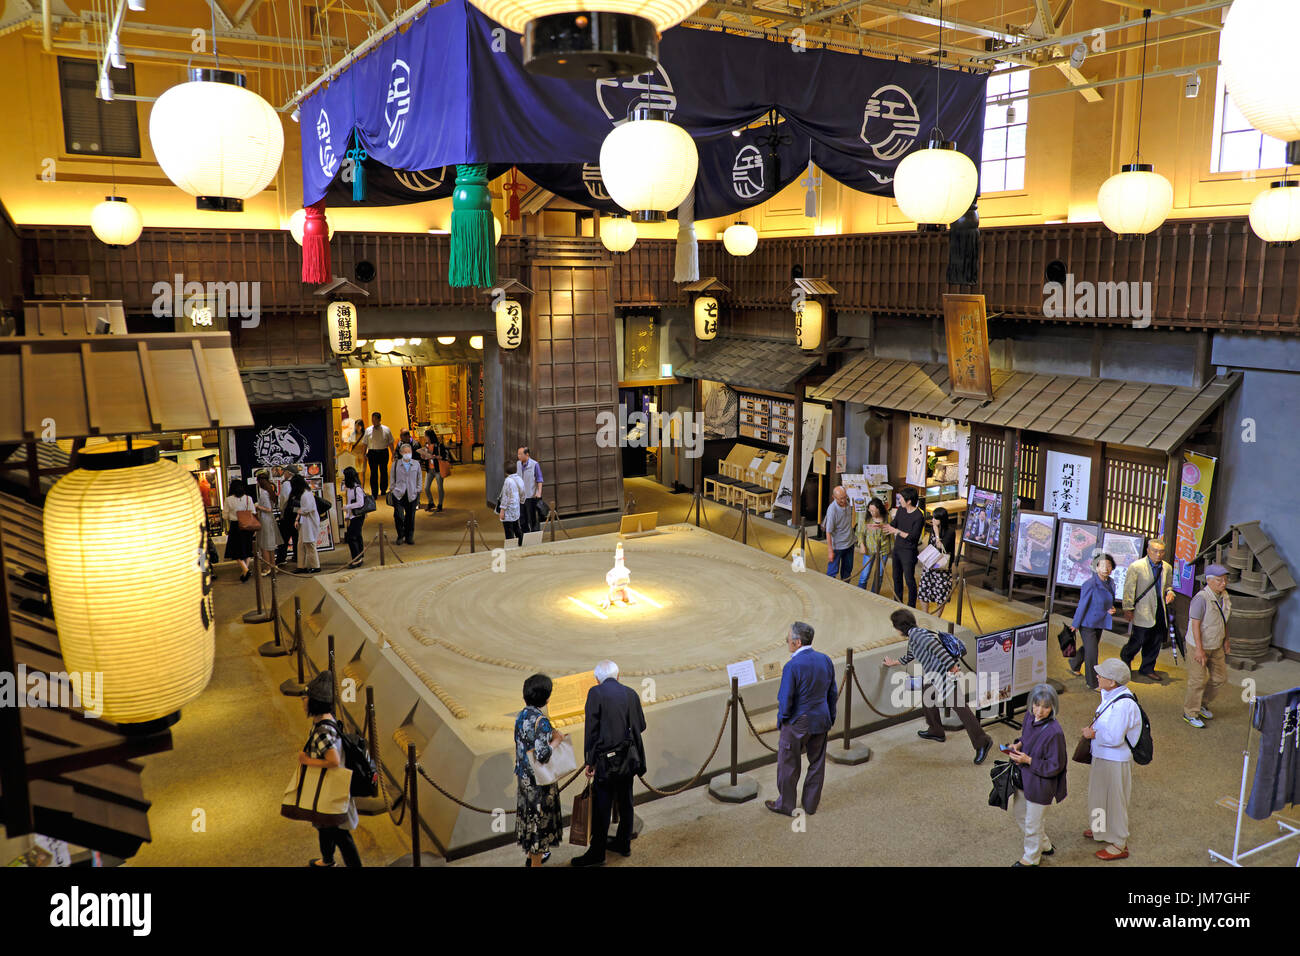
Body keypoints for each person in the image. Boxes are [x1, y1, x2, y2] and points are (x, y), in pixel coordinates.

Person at [882, 608, 992, 764]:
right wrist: (895, 662)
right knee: (928, 695)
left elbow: (937, 648)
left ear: (901, 627)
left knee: (960, 708)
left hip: (943, 674)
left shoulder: (917, 635)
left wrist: (951, 666)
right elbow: (911, 654)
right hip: (933, 675)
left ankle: (982, 741)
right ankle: (935, 730)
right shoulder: (916, 634)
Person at [572, 660, 646, 867]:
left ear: (597, 679)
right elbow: (641, 725)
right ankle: (624, 844)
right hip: (629, 759)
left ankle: (597, 853)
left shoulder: (596, 693)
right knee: (626, 800)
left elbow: (592, 730)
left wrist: (590, 760)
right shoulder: (631, 693)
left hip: (606, 760)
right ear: (618, 675)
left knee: (602, 805)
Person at [765, 622, 837, 817]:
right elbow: (832, 693)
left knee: (788, 765)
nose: (786, 641)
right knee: (817, 763)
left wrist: (782, 720)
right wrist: (830, 717)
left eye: (788, 638)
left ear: (797, 642)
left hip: (798, 721)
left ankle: (786, 805)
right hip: (821, 719)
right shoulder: (825, 660)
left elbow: (785, 699)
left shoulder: (792, 666)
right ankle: (811, 804)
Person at [1082, 658, 1142, 861]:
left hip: (1115, 760)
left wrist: (1093, 735)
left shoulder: (1124, 705)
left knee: (1116, 802)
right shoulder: (1109, 694)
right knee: (1098, 795)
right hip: (1102, 756)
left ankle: (1118, 842)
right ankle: (1100, 830)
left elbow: (1115, 738)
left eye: (1102, 674)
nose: (1097, 676)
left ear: (1113, 682)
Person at [300, 671, 361, 867]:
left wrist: (307, 760)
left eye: (305, 699)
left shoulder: (322, 732)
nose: (303, 702)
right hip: (331, 786)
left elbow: (333, 761)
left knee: (340, 833)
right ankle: (327, 860)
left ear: (314, 703)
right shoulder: (328, 719)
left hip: (331, 788)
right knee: (324, 827)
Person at [1005, 683, 1067, 867]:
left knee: (1032, 822)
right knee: (1019, 813)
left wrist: (1028, 760)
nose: (1039, 711)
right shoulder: (1029, 717)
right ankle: (1044, 844)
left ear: (1053, 707)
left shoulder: (1055, 733)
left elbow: (1056, 765)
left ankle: (1031, 858)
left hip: (1041, 784)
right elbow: (1026, 738)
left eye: (1045, 707)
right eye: (1036, 705)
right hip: (1025, 778)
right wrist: (1018, 746)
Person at [514, 673, 566, 867]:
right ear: (547, 698)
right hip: (539, 782)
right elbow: (542, 754)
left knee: (529, 820)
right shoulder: (541, 721)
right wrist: (557, 741)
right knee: (539, 825)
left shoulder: (522, 715)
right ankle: (535, 862)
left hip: (524, 778)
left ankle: (530, 857)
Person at [1183, 563, 1232, 729]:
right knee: (1197, 680)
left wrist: (1226, 640)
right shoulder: (1201, 598)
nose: (1223, 583)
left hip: (1216, 644)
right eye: (1219, 580)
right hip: (1198, 645)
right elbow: (1195, 624)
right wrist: (1199, 649)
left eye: (1225, 580)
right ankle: (1190, 713)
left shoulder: (1224, 595)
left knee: (1220, 678)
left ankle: (1202, 703)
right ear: (1209, 581)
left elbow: (1223, 619)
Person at [1120, 538, 1175, 683]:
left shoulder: (1167, 567)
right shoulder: (1136, 566)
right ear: (1148, 551)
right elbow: (1129, 589)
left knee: (1155, 641)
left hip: (1160, 609)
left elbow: (1169, 585)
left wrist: (1170, 592)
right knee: (1138, 640)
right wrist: (1127, 608)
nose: (1158, 554)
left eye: (1161, 551)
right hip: (1142, 609)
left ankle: (1147, 668)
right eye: (1155, 551)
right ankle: (1125, 659)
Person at [1070, 552, 1117, 690]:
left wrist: (1111, 609)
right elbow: (1082, 604)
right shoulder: (1089, 584)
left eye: (1108, 566)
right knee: (1092, 653)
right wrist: (1075, 623)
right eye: (1102, 565)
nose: (1105, 568)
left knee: (1089, 648)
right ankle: (1092, 682)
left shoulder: (1111, 582)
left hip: (1100, 622)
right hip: (1087, 624)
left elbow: (1108, 601)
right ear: (1096, 568)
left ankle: (1074, 663)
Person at [884, 487, 926, 607]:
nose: (900, 500)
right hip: (897, 548)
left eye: (901, 498)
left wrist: (896, 531)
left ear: (909, 501)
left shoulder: (918, 516)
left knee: (909, 579)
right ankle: (898, 601)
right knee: (896, 577)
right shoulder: (901, 510)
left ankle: (911, 605)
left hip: (909, 552)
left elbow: (913, 537)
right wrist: (884, 526)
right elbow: (894, 523)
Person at [918, 506, 955, 613]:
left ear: (941, 520)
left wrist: (937, 534)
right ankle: (926, 614)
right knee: (924, 591)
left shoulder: (950, 532)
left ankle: (938, 617)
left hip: (942, 567)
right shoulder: (933, 531)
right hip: (930, 565)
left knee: (941, 593)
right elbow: (931, 545)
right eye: (932, 518)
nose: (933, 520)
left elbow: (942, 546)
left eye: (935, 518)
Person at [222, 477, 256, 582]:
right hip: (247, 525)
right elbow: (252, 512)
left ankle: (245, 569)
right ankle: (245, 571)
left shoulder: (228, 499)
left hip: (235, 526)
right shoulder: (248, 498)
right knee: (247, 549)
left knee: (235, 550)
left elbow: (225, 516)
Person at [855, 497, 892, 593]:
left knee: (879, 574)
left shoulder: (887, 517)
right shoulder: (866, 518)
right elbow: (860, 533)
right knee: (865, 574)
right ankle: (860, 593)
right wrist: (862, 545)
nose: (871, 513)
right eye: (870, 510)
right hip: (869, 549)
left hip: (883, 549)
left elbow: (891, 534)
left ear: (879, 509)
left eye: (874, 511)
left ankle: (875, 593)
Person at [389, 442, 422, 546]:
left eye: (409, 452)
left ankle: (409, 536)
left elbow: (419, 478)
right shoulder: (395, 465)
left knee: (410, 516)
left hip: (412, 493)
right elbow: (392, 479)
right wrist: (393, 489)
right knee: (398, 515)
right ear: (401, 453)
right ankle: (400, 535)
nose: (408, 454)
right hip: (398, 493)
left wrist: (418, 489)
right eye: (405, 452)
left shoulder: (416, 464)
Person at [822, 485, 855, 582]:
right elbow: (828, 532)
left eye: (845, 497)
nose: (844, 500)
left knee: (847, 572)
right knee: (832, 572)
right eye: (841, 499)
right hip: (837, 546)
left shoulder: (848, 503)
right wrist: (830, 550)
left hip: (849, 543)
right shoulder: (832, 510)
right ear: (834, 497)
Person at [253, 471, 282, 574]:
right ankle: (273, 566)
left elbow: (268, 509)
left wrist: (257, 506)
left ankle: (267, 568)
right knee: (270, 546)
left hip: (265, 519)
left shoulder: (264, 493)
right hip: (270, 519)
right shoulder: (270, 491)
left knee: (265, 545)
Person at [293, 475, 321, 574]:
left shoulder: (305, 495)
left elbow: (306, 509)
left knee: (310, 544)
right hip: (304, 522)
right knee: (301, 544)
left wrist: (299, 513)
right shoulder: (307, 493)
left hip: (309, 522)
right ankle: (301, 566)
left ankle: (315, 566)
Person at [364, 412, 394, 499]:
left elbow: (391, 442)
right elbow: (365, 444)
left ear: (379, 420)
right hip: (372, 452)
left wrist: (393, 453)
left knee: (383, 471)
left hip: (383, 452)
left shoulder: (386, 429)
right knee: (373, 473)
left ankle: (383, 489)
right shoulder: (368, 430)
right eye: (372, 420)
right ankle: (374, 492)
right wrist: (363, 454)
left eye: (375, 420)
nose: (373, 421)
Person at [341, 466, 366, 568]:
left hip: (358, 516)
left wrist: (347, 507)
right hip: (353, 516)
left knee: (352, 538)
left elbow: (360, 503)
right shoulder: (350, 488)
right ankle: (360, 556)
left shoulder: (357, 488)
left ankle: (356, 559)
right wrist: (347, 514)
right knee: (357, 536)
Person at [275, 465, 300, 567]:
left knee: (284, 536)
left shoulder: (287, 484)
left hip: (288, 513)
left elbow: (284, 499)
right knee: (296, 536)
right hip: (297, 513)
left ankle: (281, 558)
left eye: (285, 472)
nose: (283, 474)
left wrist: (281, 511)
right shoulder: (299, 483)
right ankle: (298, 556)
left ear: (289, 473)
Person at [516, 446, 544, 534]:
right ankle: (525, 535)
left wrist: (539, 492)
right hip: (520, 497)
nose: (518, 456)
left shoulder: (534, 464)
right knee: (522, 518)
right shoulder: (518, 464)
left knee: (532, 518)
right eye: (518, 454)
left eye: (520, 454)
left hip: (531, 496)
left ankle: (534, 535)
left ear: (527, 455)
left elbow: (539, 479)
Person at [498, 464, 526, 547]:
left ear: (506, 472)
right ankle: (521, 544)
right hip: (516, 507)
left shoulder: (508, 481)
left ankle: (510, 547)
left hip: (508, 509)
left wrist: (502, 511)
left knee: (508, 530)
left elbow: (505, 497)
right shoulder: (519, 479)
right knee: (516, 527)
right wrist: (521, 501)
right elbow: (523, 492)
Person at [424, 429, 450, 513]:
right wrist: (423, 456)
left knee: (440, 488)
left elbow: (444, 456)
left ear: (429, 436)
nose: (425, 438)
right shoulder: (426, 445)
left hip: (438, 469)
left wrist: (436, 457)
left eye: (426, 436)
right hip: (429, 469)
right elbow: (425, 457)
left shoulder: (439, 445)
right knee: (426, 487)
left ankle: (440, 504)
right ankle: (431, 502)